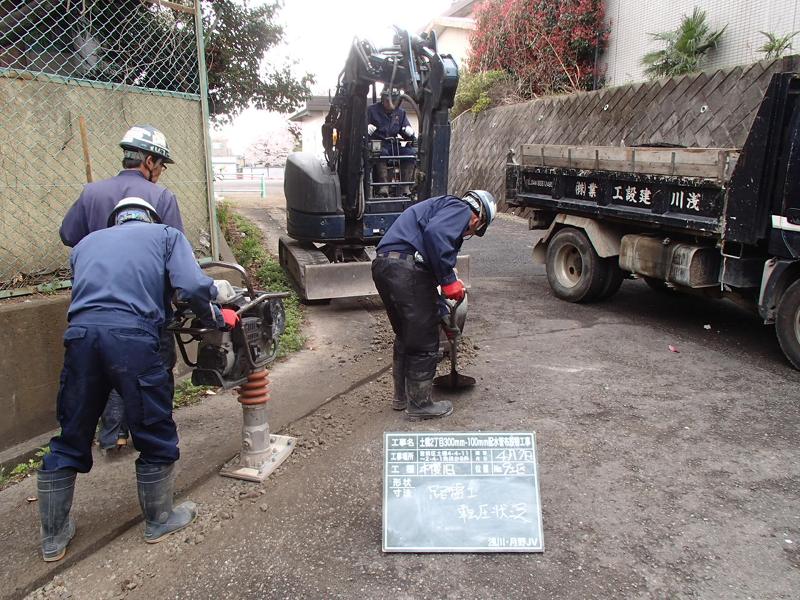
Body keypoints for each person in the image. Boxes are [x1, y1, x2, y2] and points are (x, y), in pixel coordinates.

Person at [37, 198, 237, 562]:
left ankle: (53, 537)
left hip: (81, 336)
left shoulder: (85, 244)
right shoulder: (166, 235)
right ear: (150, 217)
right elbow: (192, 286)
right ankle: (159, 520)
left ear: (116, 220)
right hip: (133, 339)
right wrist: (217, 315)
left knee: (72, 433)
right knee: (152, 425)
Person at [60, 125, 184, 451]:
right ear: (148, 160)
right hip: (146, 304)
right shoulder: (161, 198)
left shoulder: (91, 193)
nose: (160, 172)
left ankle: (112, 433)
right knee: (154, 367)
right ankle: (151, 435)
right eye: (160, 164)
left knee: (105, 369)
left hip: (94, 303)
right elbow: (175, 255)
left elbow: (69, 236)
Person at [371, 190, 497, 420]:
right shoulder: (461, 209)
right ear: (477, 220)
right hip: (406, 270)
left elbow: (424, 286)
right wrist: (449, 281)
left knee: (406, 334)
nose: (466, 233)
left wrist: (442, 315)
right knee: (424, 340)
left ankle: (401, 398)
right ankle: (420, 405)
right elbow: (436, 234)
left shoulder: (437, 209)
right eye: (471, 231)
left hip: (384, 267)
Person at [367, 89, 416, 196]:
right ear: (383, 100)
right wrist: (365, 128)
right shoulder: (371, 110)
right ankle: (384, 186)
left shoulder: (401, 113)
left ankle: (405, 187)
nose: (391, 103)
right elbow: (361, 134)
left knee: (410, 153)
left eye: (394, 101)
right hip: (378, 144)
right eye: (388, 100)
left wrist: (409, 132)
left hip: (393, 145)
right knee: (380, 152)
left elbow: (406, 132)